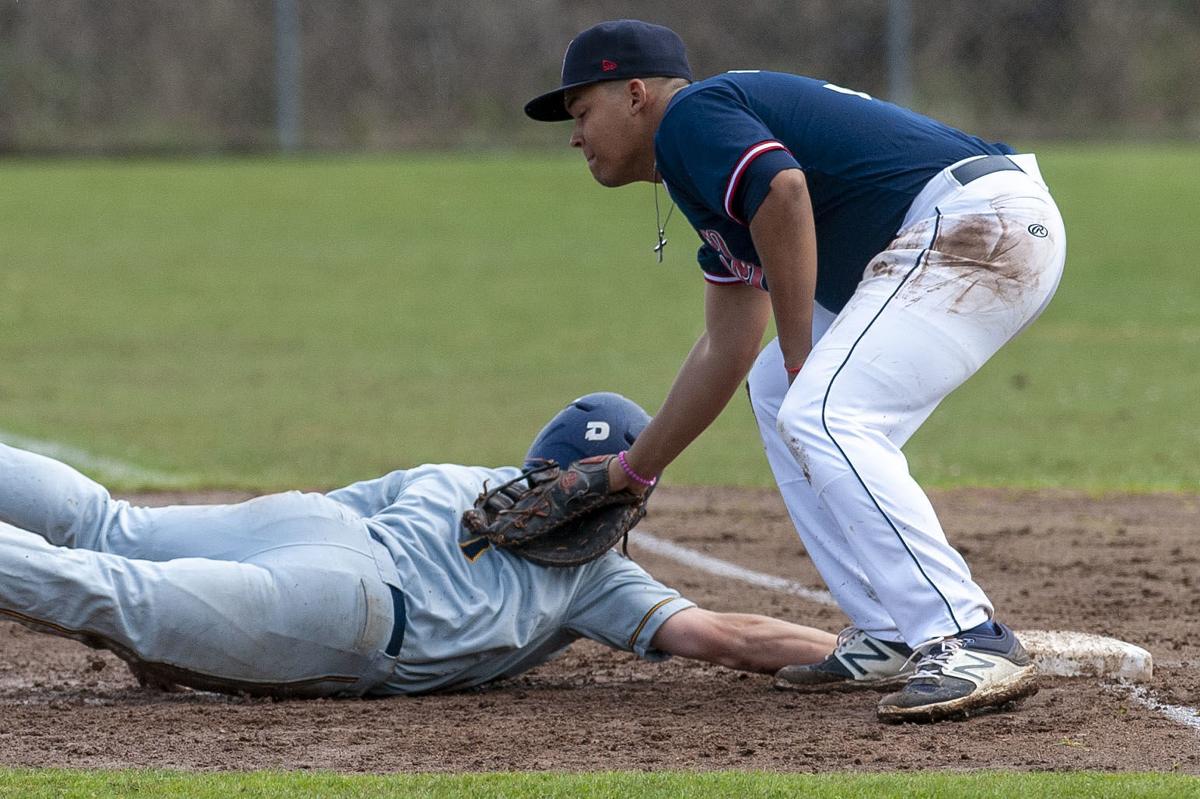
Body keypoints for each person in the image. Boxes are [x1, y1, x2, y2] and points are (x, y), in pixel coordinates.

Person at [524, 20, 1066, 722]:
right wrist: (635, 469)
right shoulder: (704, 173)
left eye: (581, 112)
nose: (575, 135)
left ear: (634, 95)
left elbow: (783, 190)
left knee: (824, 409)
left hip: (976, 222)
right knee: (782, 392)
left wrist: (802, 346)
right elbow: (728, 345)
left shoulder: (690, 117)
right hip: (968, 227)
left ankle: (970, 635)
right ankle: (893, 630)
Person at [0, 392, 835, 698]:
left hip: (311, 524)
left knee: (109, 525)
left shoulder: (459, 472)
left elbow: (329, 510)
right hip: (350, 614)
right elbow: (725, 638)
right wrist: (860, 648)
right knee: (105, 587)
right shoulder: (598, 576)